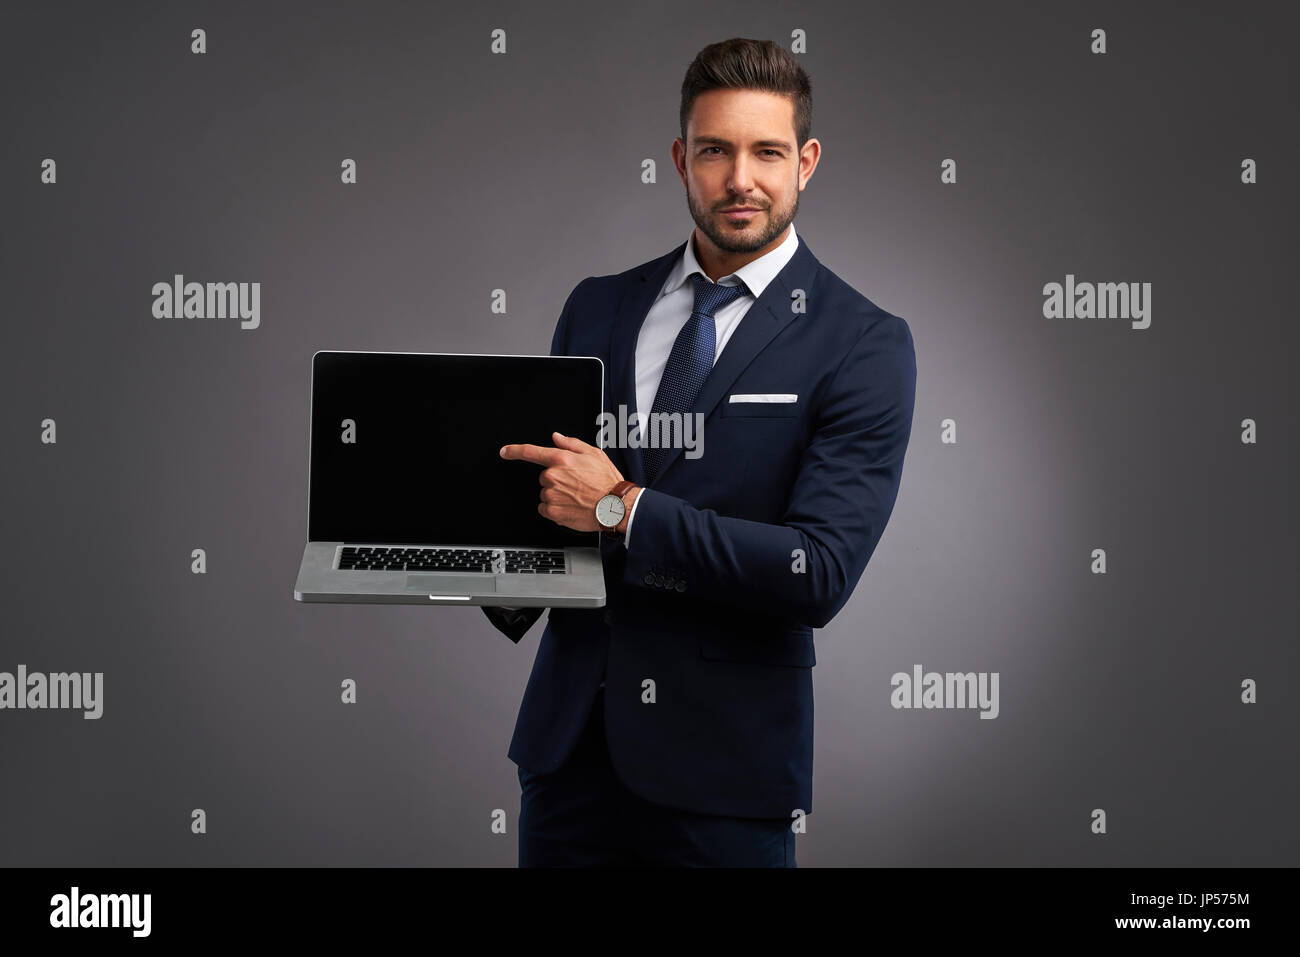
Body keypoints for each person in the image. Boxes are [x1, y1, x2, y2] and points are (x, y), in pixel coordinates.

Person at [483, 37, 917, 867]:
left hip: (728, 776)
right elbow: (556, 500)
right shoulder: (598, 306)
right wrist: (446, 556)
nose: (740, 179)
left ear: (807, 161)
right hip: (569, 758)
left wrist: (624, 507)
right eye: (715, 150)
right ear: (682, 158)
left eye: (767, 152)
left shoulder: (863, 343)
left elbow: (817, 569)